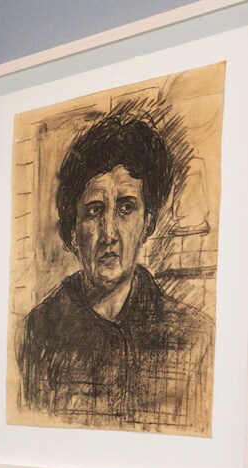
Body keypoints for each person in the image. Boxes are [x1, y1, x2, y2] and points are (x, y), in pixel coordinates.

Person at [16, 103, 213, 432]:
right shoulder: (40, 333)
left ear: (147, 224)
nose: (109, 233)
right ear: (73, 232)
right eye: (94, 211)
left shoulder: (194, 339)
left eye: (126, 208)